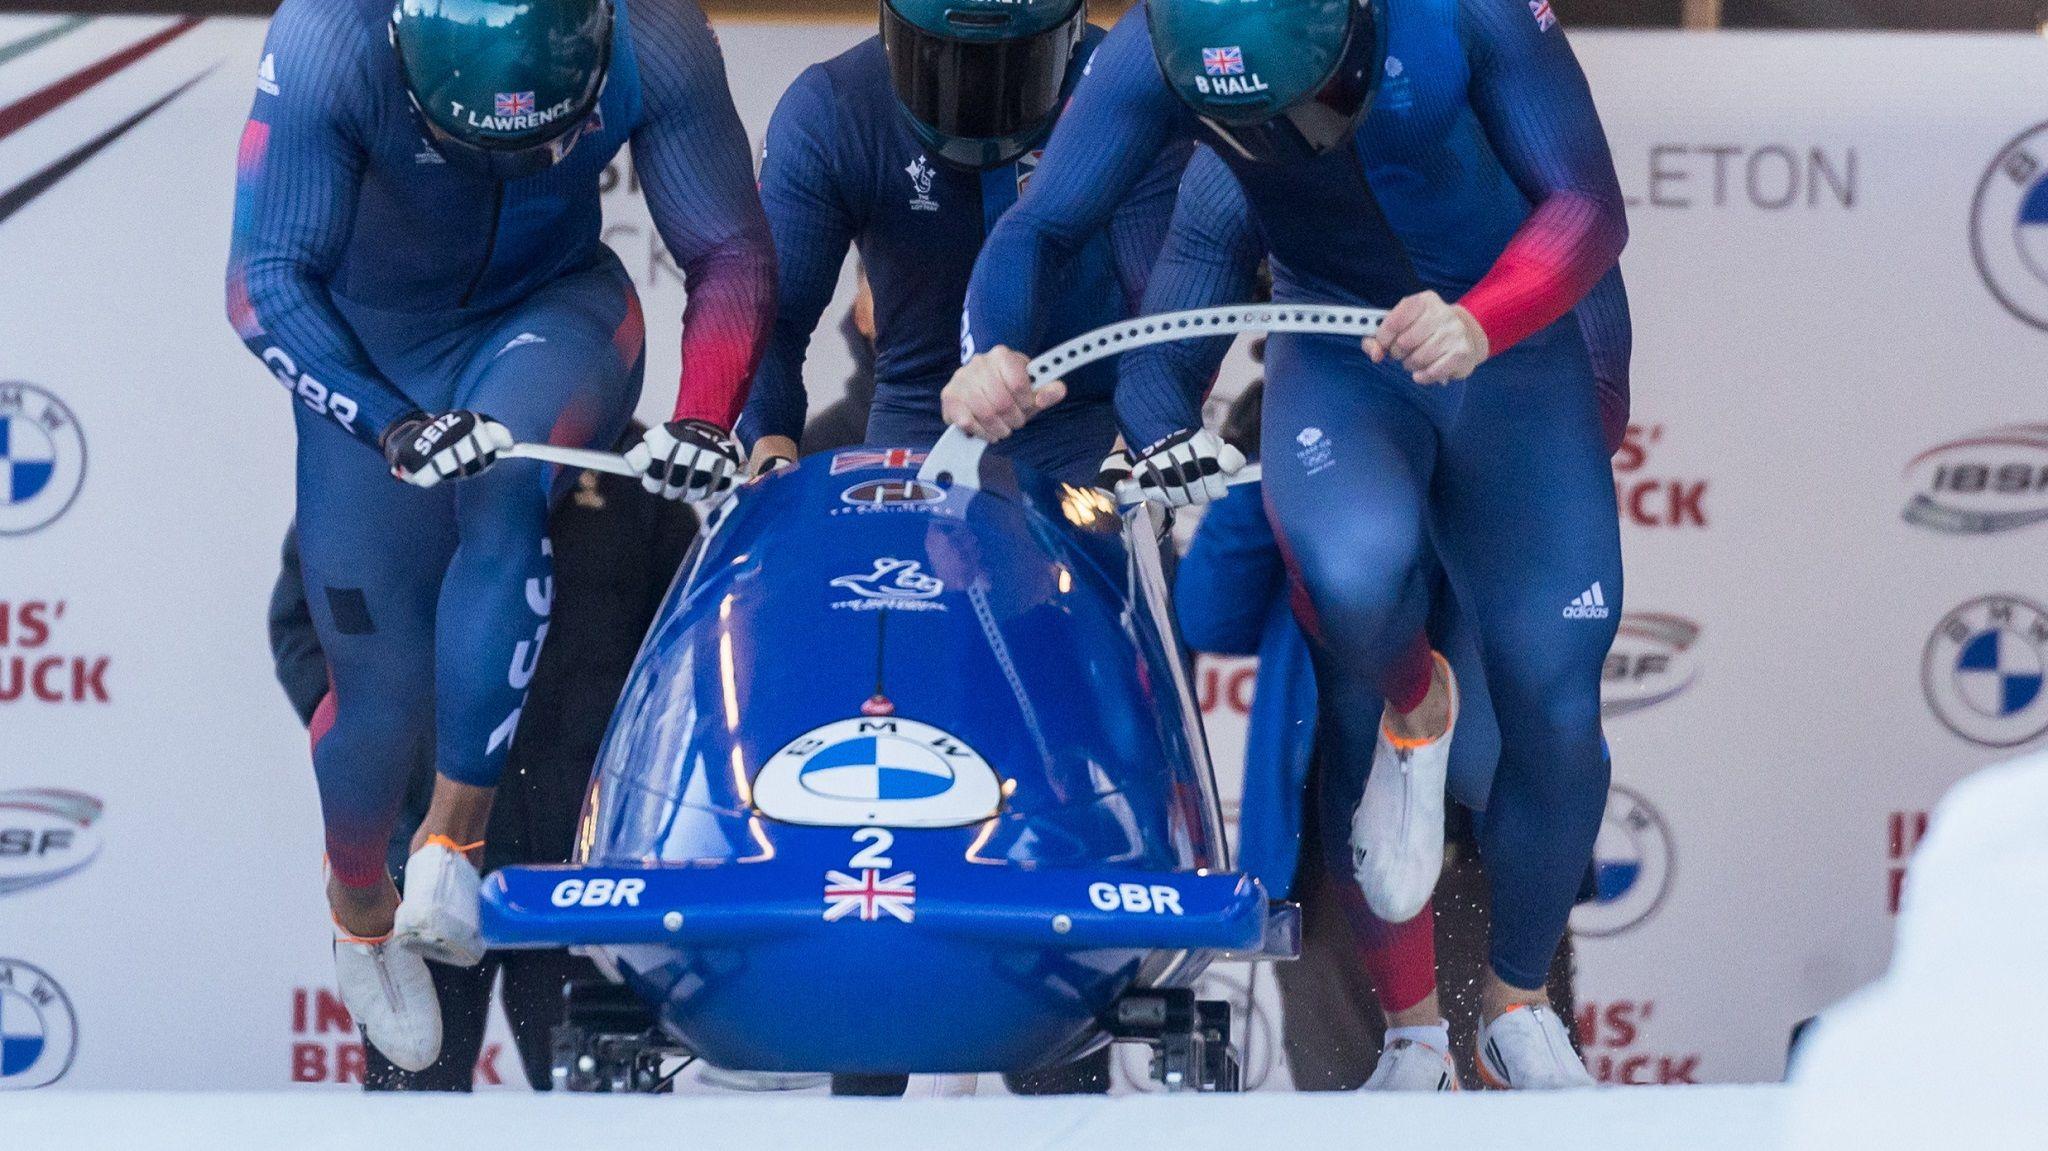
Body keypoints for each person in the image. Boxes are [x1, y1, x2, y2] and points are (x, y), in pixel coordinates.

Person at [945, 0, 1629, 1088]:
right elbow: (1049, 226)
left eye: (1299, 109)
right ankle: (1417, 725)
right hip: (1340, 350)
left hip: (1511, 349)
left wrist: (1487, 317)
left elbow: (1586, 205)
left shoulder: (1467, 14)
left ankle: (1517, 1001)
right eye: (1249, 125)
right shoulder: (1162, 46)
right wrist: (992, 348)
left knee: (1553, 694)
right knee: (1352, 581)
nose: (1284, 142)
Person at [227, 0, 774, 1070]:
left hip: (553, 304)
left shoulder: (656, 32)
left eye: (542, 143)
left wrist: (708, 413)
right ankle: (359, 901)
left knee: (505, 479)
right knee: (377, 700)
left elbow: (730, 249)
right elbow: (263, 284)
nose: (505, 167)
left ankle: (454, 838)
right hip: (374, 349)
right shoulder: (328, 40)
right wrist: (387, 421)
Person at [1179, 383, 1581, 1091]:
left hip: (1484, 839)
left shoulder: (1483, 398)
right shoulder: (1297, 439)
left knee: (1518, 1111)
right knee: (1351, 1102)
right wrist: (1260, 464)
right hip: (1330, 854)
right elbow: (1210, 616)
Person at [267, 430, 698, 1090]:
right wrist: (381, 750)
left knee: (606, 1117)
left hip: (584, 872)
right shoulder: (382, 457)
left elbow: (685, 651)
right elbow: (303, 624)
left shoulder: (630, 462)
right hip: (419, 853)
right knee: (411, 1103)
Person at [733, 0, 1189, 486]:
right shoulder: (833, 111)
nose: (976, 94)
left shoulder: (1125, 82)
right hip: (921, 414)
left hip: (1083, 418)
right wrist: (771, 455)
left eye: (1015, 66)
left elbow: (1166, 305)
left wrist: (1134, 449)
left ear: (1068, 37)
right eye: (940, 63)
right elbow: (771, 320)